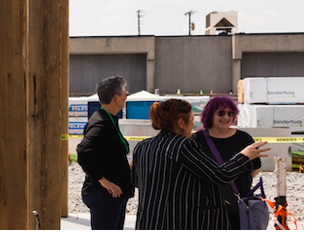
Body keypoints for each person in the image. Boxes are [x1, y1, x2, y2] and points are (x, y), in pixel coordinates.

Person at [132, 98, 269, 230]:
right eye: (192, 120)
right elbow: (220, 175)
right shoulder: (183, 145)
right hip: (180, 222)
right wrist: (244, 156)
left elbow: (136, 181)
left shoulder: (143, 146)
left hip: (149, 221)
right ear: (181, 123)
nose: (193, 124)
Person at [193, 96, 263, 230]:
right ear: (210, 114)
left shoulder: (244, 139)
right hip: (206, 208)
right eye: (221, 113)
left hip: (238, 206)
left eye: (230, 113)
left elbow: (255, 169)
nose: (226, 117)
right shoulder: (198, 140)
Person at [76, 76, 133, 230]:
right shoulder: (101, 122)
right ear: (116, 98)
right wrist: (103, 180)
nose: (126, 97)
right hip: (104, 195)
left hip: (113, 195)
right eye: (124, 94)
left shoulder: (108, 120)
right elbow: (83, 150)